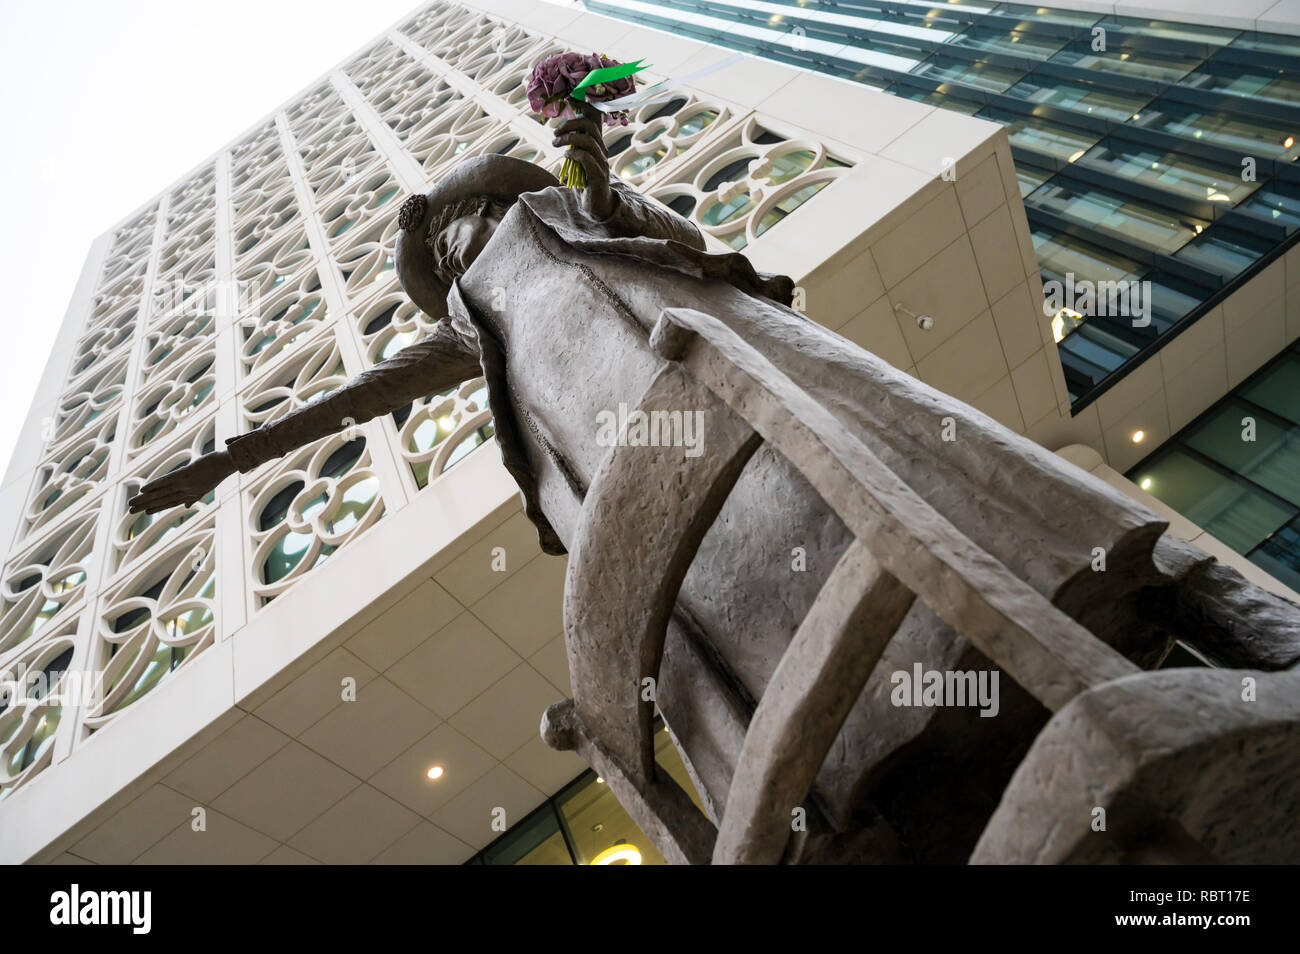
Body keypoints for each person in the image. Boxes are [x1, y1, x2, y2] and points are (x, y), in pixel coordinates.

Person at [130, 111, 1300, 861]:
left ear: (493, 194)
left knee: (962, 508)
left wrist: (587, 159)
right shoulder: (478, 332)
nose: (454, 246)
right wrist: (224, 461)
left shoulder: (564, 216)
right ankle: (874, 788)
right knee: (759, 627)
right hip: (660, 510)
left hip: (757, 400)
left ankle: (1237, 639)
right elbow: (357, 397)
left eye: (458, 219)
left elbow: (663, 238)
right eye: (439, 247)